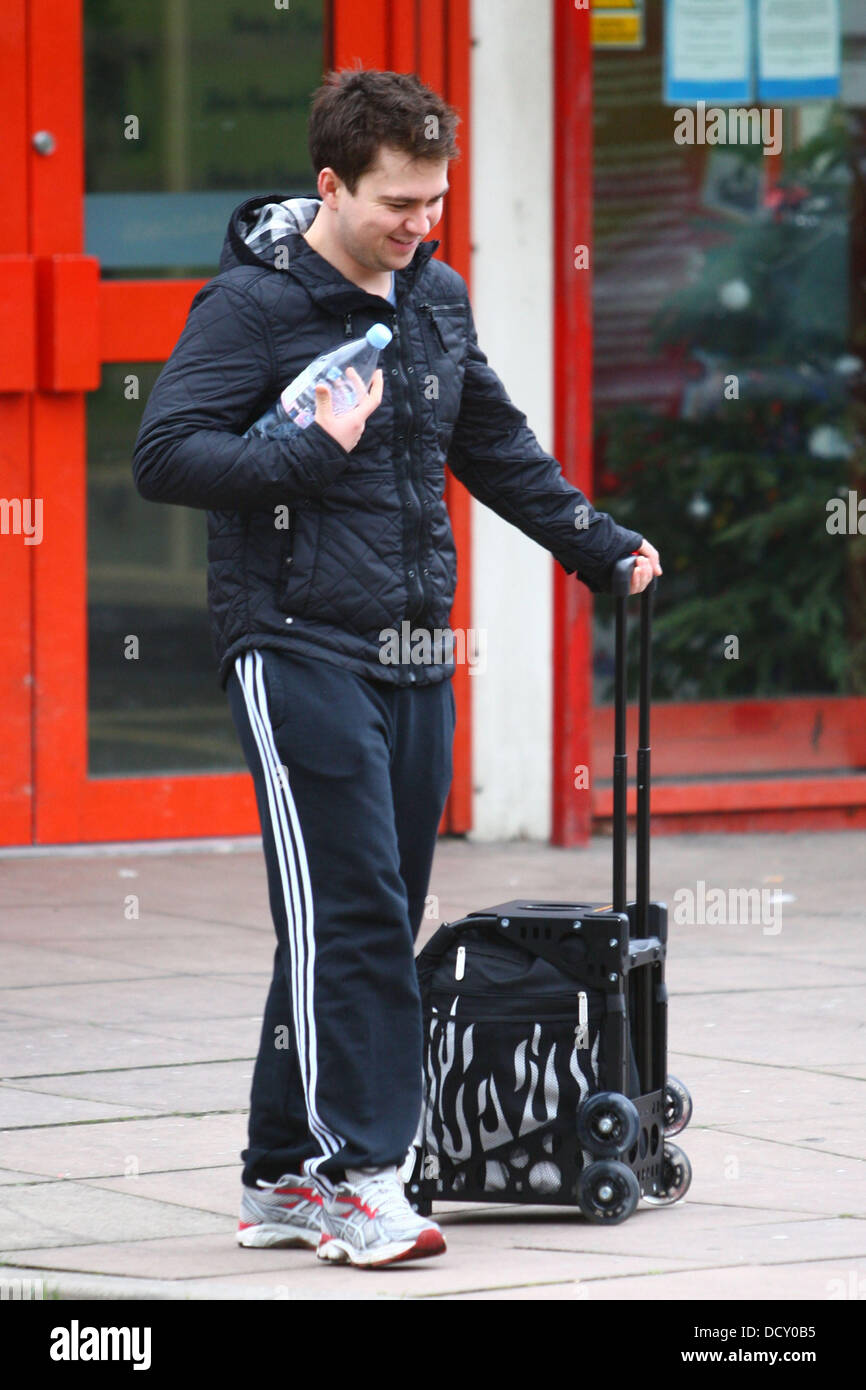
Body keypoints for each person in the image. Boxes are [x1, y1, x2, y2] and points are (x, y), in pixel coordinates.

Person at [132, 67, 661, 1270]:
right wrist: (295, 444)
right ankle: (368, 1177)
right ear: (331, 184)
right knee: (358, 908)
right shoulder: (250, 308)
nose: (420, 223)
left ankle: (279, 1175)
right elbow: (165, 456)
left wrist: (597, 543)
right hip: (291, 641)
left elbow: (491, 441)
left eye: (434, 198)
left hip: (412, 646)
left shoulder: (436, 297)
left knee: (351, 911)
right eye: (397, 203)